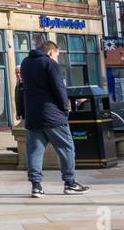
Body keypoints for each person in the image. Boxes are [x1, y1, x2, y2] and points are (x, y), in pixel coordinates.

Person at [20, 38, 89, 198]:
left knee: (34, 151)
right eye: (57, 54)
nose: (57, 58)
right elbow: (59, 88)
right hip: (52, 115)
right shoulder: (50, 64)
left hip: (32, 115)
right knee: (66, 148)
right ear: (51, 52)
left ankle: (36, 186)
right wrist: (65, 108)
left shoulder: (25, 63)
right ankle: (70, 183)